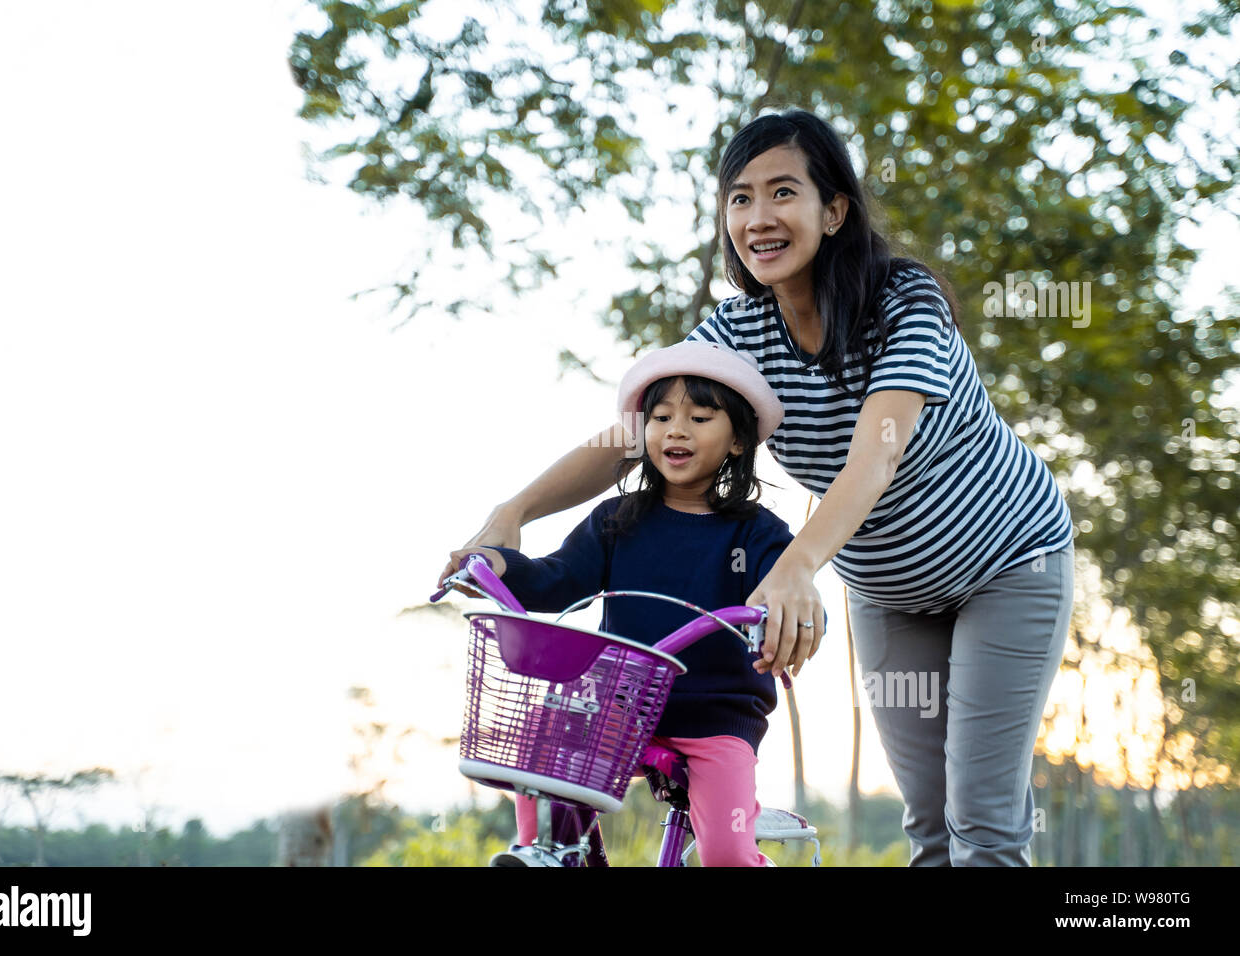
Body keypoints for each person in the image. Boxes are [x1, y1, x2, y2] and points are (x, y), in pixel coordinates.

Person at [441, 108, 1075, 866]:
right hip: (888, 585)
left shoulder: (906, 305)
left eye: (782, 192)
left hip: (1009, 563)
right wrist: (514, 510)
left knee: (982, 815)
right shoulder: (739, 333)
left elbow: (874, 456)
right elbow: (631, 434)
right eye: (740, 198)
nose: (758, 217)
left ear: (833, 210)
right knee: (931, 818)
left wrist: (797, 566)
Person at [448, 341, 795, 866]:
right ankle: (555, 851)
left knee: (726, 851)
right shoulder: (617, 520)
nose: (676, 430)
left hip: (717, 716)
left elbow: (788, 598)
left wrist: (783, 622)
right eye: (660, 417)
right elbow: (556, 579)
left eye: (700, 417)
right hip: (621, 703)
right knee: (549, 736)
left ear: (738, 441)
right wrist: (502, 566)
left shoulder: (760, 534)